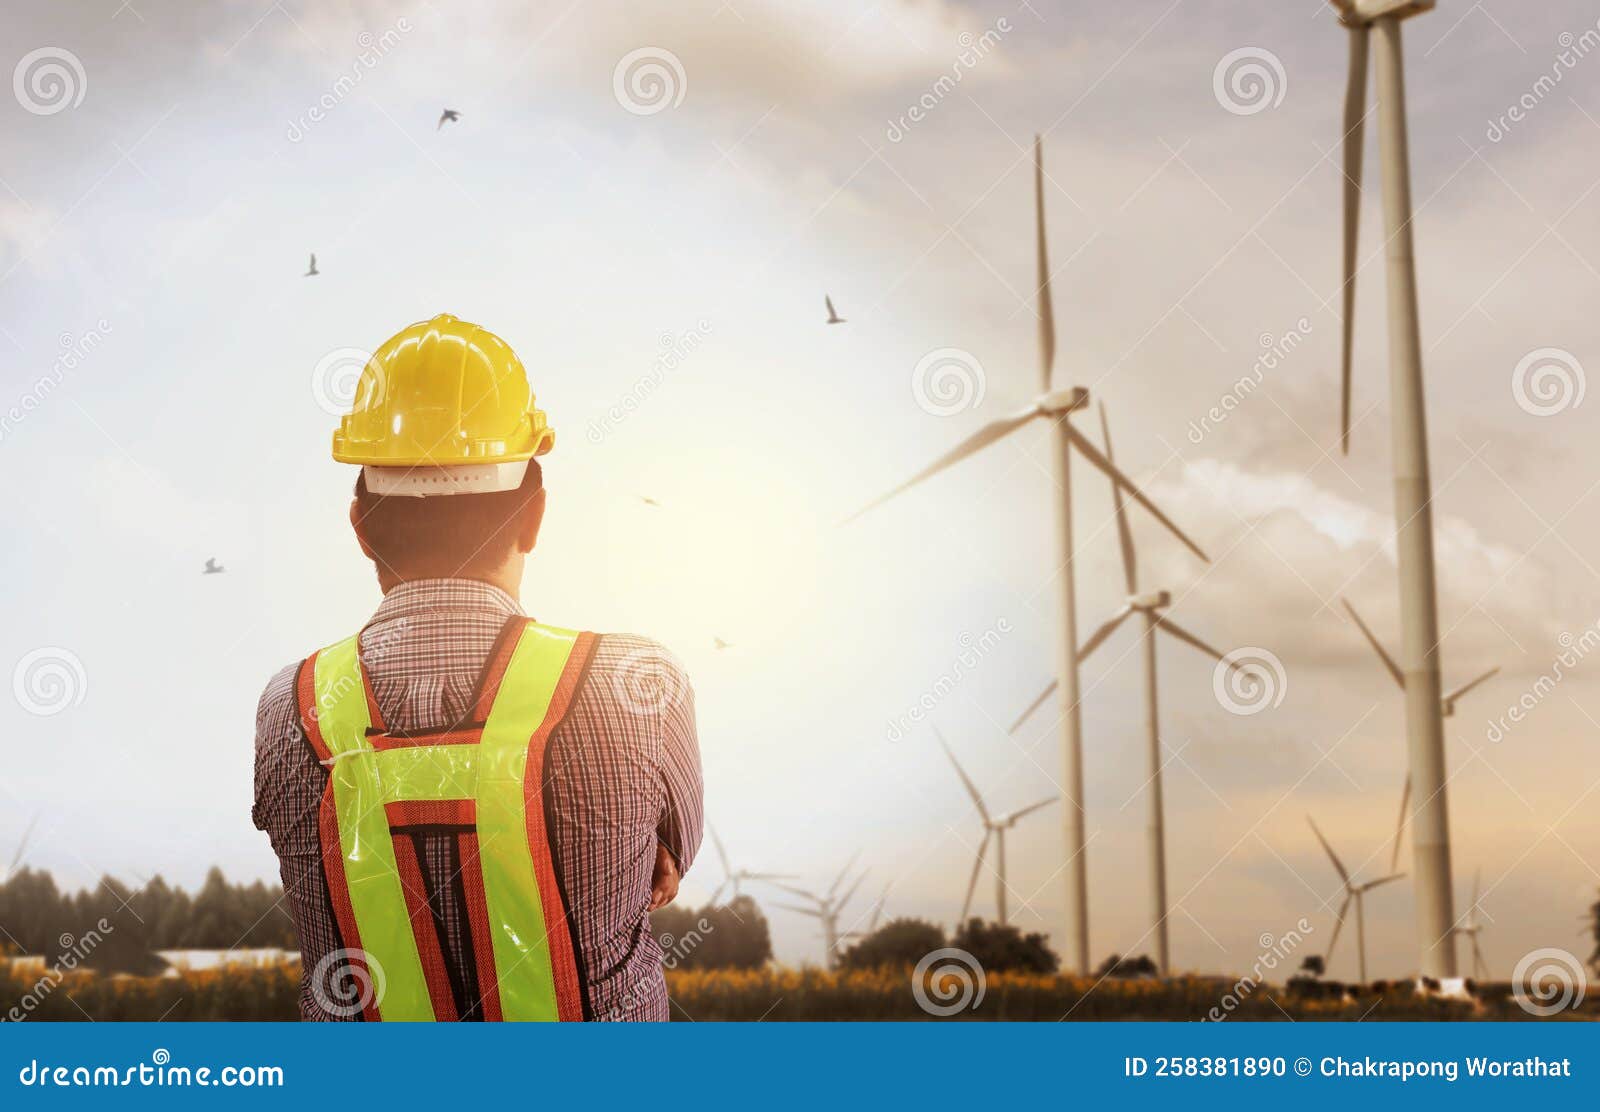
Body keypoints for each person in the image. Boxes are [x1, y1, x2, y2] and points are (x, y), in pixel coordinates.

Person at [253, 313, 703, 1021]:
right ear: (535, 516)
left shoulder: (289, 705)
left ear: (361, 526)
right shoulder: (640, 683)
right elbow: (661, 871)